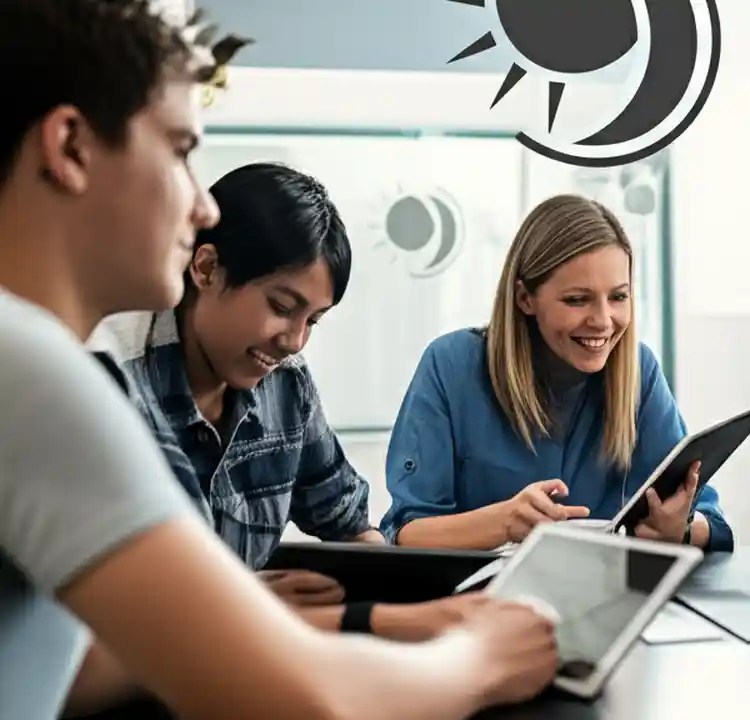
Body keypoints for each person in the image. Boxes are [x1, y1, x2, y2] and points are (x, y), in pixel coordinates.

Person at [0, 2, 554, 718]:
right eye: (178, 150)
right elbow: (314, 699)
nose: (202, 205)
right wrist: (482, 652)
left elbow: (68, 666)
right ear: (70, 146)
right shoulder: (33, 366)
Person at [89, 161, 495, 637]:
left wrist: (388, 589)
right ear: (205, 268)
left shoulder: (287, 386)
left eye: (313, 321)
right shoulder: (108, 380)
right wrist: (243, 601)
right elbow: (88, 605)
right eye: (281, 308)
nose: (295, 341)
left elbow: (350, 525)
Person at [382, 194, 734, 552]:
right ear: (525, 298)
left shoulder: (638, 372)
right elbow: (407, 531)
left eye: (618, 297)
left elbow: (710, 520)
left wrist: (682, 530)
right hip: (477, 601)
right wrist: (503, 522)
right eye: (577, 300)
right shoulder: (451, 365)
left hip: (604, 597)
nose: (602, 321)